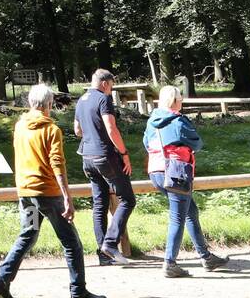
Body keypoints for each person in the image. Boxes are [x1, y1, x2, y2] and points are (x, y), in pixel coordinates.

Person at [0, 84, 107, 298]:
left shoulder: (20, 126)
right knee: (71, 242)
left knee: (28, 235)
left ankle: (1, 280)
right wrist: (67, 198)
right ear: (49, 104)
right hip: (48, 195)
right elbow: (57, 164)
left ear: (31, 103)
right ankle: (79, 291)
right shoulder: (51, 130)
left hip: (26, 194)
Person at [144, 87, 230, 278]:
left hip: (156, 172)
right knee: (178, 218)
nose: (181, 102)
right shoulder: (178, 120)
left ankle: (206, 256)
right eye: (180, 99)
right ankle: (169, 263)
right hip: (176, 174)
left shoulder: (152, 121)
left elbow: (145, 143)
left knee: (191, 211)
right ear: (174, 100)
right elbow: (197, 142)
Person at [73, 69, 135, 267]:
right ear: (105, 84)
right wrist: (124, 153)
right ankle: (110, 243)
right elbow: (111, 128)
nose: (111, 90)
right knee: (127, 199)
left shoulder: (81, 100)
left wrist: (91, 136)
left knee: (99, 204)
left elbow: (77, 131)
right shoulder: (103, 99)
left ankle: (103, 255)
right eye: (112, 86)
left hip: (86, 158)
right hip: (105, 156)